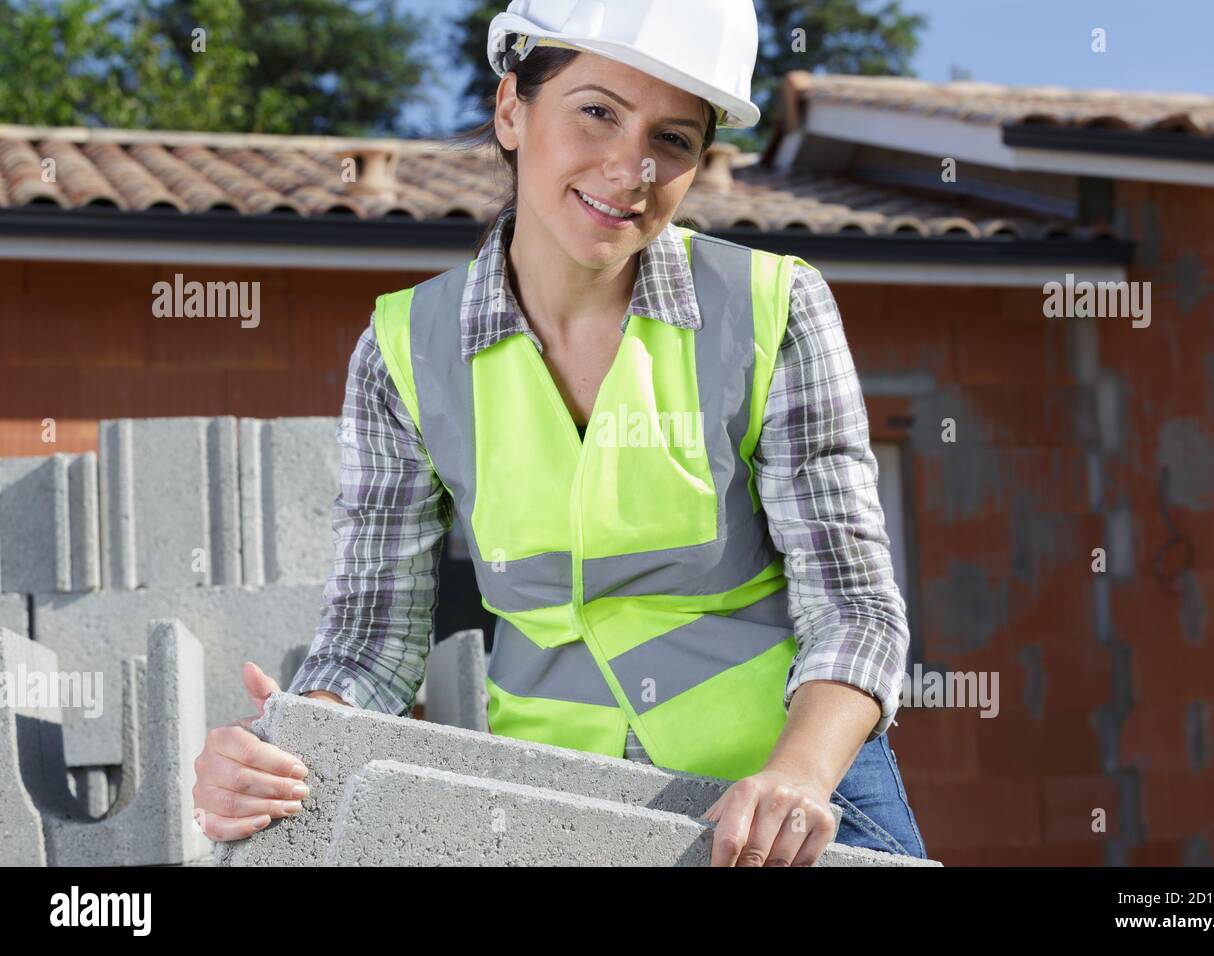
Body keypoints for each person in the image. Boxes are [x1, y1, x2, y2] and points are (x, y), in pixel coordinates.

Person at [192, 0, 926, 867]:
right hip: (555, 802)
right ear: (512, 109)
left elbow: (855, 610)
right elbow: (370, 641)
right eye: (597, 111)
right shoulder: (403, 351)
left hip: (793, 790)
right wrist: (287, 745)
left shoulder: (773, 309)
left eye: (676, 138)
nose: (631, 166)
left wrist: (797, 776)